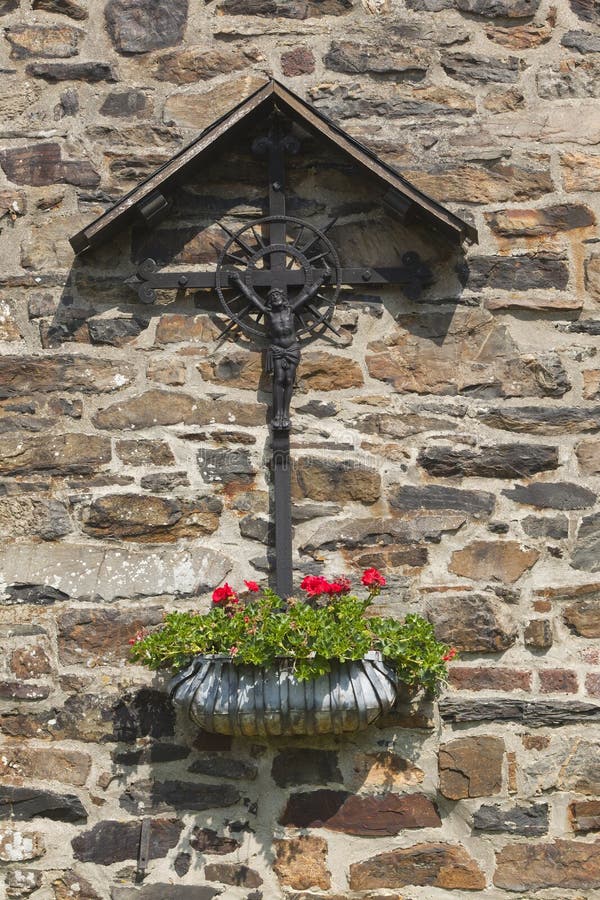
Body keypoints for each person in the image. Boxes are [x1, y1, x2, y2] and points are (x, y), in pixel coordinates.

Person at [230, 271, 327, 429]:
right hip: (276, 349)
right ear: (270, 301)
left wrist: (322, 278)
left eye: (277, 295)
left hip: (292, 348)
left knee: (289, 380)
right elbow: (251, 297)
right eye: (272, 296)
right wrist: (238, 282)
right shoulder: (268, 313)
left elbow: (308, 294)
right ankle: (277, 414)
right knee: (278, 379)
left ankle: (285, 414)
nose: (275, 297)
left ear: (283, 298)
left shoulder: (290, 310)